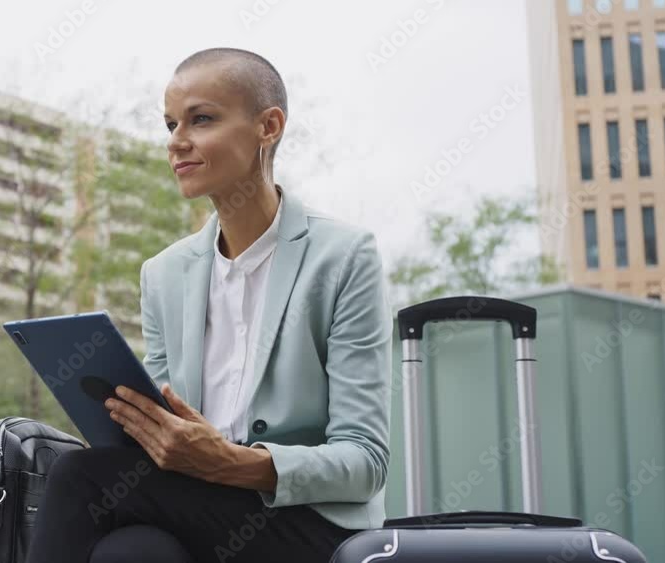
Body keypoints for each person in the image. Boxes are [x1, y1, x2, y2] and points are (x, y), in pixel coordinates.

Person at [25, 47, 392, 563]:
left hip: (310, 525)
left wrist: (233, 462)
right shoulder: (163, 274)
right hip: (198, 507)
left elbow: (366, 461)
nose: (176, 141)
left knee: (77, 476)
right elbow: (155, 429)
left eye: (201, 119)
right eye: (171, 123)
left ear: (268, 126)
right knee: (133, 551)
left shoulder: (343, 257)